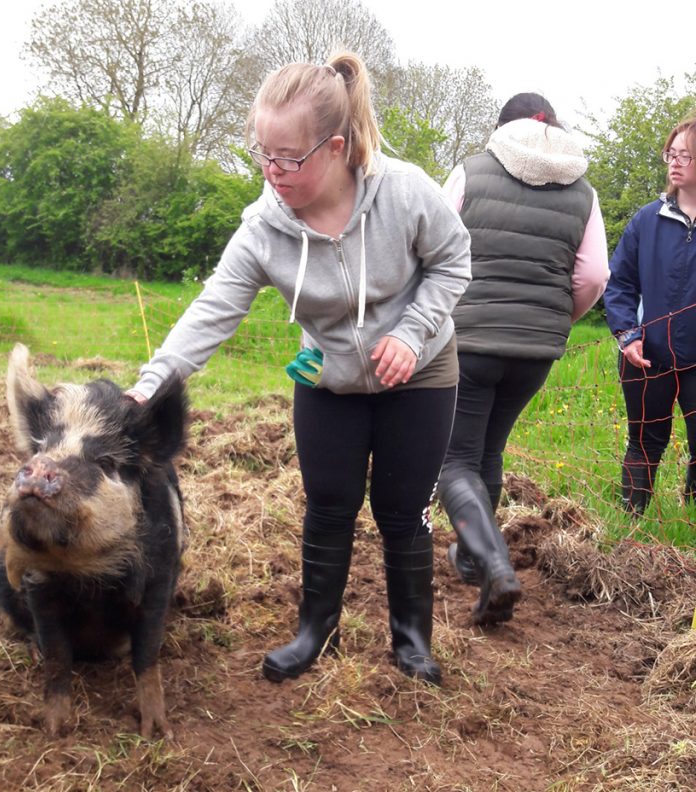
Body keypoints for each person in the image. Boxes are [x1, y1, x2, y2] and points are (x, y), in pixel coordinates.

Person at [126, 52, 471, 685]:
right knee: (329, 505)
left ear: (335, 147)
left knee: (403, 509)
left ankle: (412, 640)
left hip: (419, 376)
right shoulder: (263, 228)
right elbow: (213, 311)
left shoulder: (405, 190)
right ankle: (315, 632)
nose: (271, 171)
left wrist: (412, 334)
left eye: (287, 158)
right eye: (262, 154)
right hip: (329, 381)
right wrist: (146, 389)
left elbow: (454, 261)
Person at [436, 93, 609, 625]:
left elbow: (431, 245)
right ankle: (474, 556)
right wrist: (557, 319)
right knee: (488, 450)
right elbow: (594, 277)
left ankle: (490, 563)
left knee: (453, 461)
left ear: (500, 129)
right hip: (537, 350)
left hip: (469, 341)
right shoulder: (583, 193)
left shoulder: (469, 172)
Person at [604, 117, 696, 515]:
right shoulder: (647, 219)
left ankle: (689, 522)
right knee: (644, 441)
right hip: (647, 355)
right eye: (670, 154)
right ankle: (631, 523)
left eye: (686, 155)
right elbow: (619, 282)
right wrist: (628, 334)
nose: (674, 163)